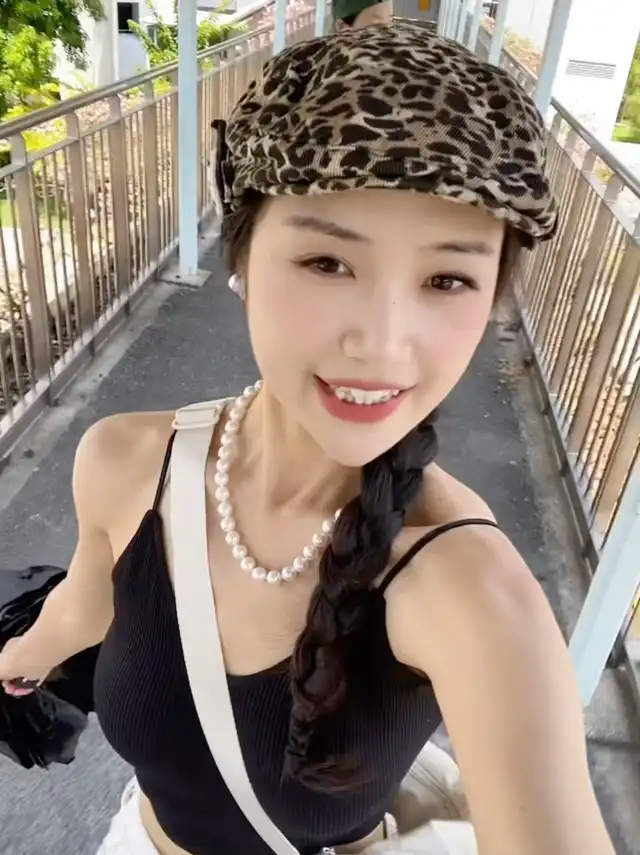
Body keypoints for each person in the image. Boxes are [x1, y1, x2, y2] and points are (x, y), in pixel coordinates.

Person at [0, 20, 615, 855]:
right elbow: (87, 601)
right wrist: (20, 655)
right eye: (328, 262)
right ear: (242, 256)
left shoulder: (473, 592)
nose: (383, 343)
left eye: (447, 279)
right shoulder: (125, 462)